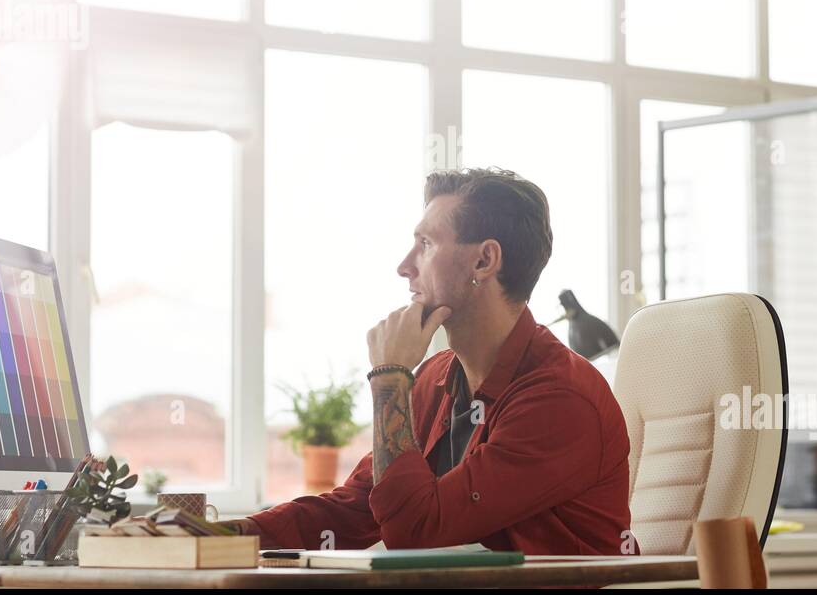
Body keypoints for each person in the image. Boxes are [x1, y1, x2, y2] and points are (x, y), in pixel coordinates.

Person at [225, 167, 636, 555]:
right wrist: (228, 535)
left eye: (425, 245)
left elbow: (418, 531)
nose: (404, 267)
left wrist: (389, 377)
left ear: (484, 261)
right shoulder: (436, 376)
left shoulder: (559, 399)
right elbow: (359, 506)